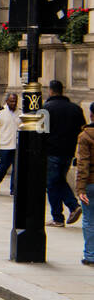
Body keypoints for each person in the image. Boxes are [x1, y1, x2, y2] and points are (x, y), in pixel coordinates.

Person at [43, 79, 86, 226]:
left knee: (53, 183)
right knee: (58, 180)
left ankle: (63, 213)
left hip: (51, 151)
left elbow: (40, 133)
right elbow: (82, 130)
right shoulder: (75, 109)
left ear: (51, 90)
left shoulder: (46, 108)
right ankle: (65, 212)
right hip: (68, 151)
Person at [0, 93, 20, 196]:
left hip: (16, 145)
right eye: (11, 101)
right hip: (4, 145)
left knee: (16, 168)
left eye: (15, 101)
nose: (13, 103)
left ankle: (14, 188)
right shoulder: (0, 114)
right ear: (7, 101)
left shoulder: (20, 113)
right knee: (3, 166)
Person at [75, 103, 94, 265]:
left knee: (89, 220)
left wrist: (80, 188)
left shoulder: (85, 136)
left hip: (90, 183)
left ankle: (90, 255)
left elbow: (83, 164)